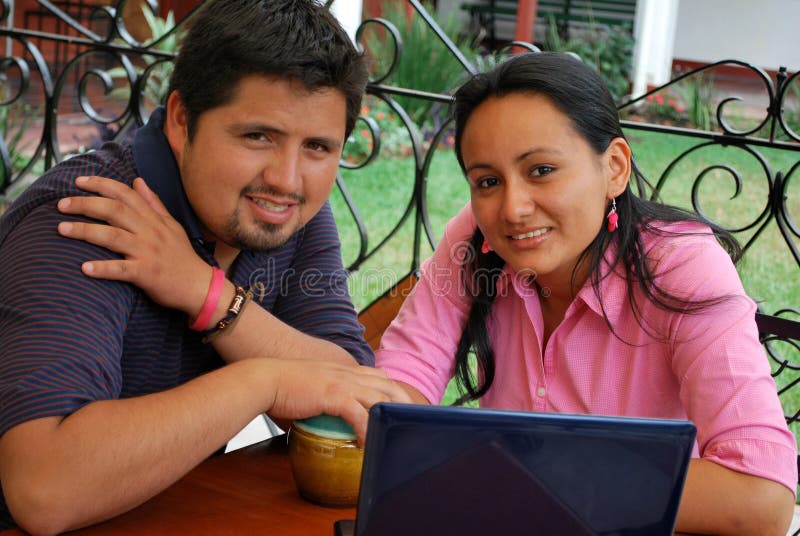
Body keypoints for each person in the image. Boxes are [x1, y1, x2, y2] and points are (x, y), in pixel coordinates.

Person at [0, 0, 411, 533]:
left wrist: (209, 297)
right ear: (180, 120)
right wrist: (265, 380)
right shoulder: (90, 217)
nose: (287, 179)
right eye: (257, 136)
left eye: (316, 147)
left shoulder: (284, 213)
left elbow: (349, 395)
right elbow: (44, 488)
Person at [374, 53, 797, 535]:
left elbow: (762, 497)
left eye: (541, 170)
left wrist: (530, 471)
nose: (512, 208)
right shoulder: (475, 239)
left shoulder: (682, 265)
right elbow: (398, 395)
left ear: (614, 167)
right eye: (488, 181)